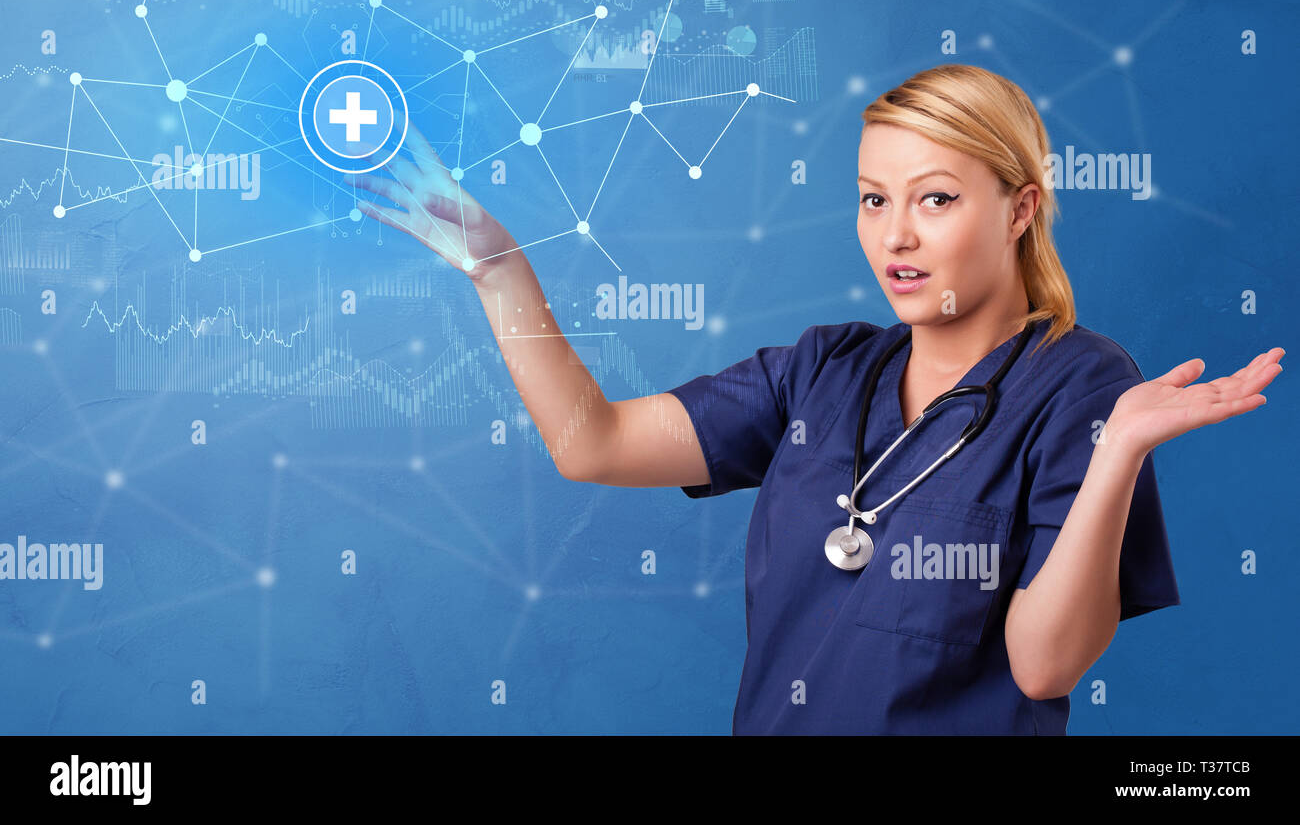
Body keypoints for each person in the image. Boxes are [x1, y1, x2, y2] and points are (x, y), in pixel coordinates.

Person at [350, 63, 1284, 735]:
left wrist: (1117, 456)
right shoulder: (824, 371)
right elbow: (591, 444)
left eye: (936, 199)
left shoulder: (1078, 385)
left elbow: (1044, 666)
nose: (896, 236)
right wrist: (502, 274)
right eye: (875, 200)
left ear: (1019, 208)